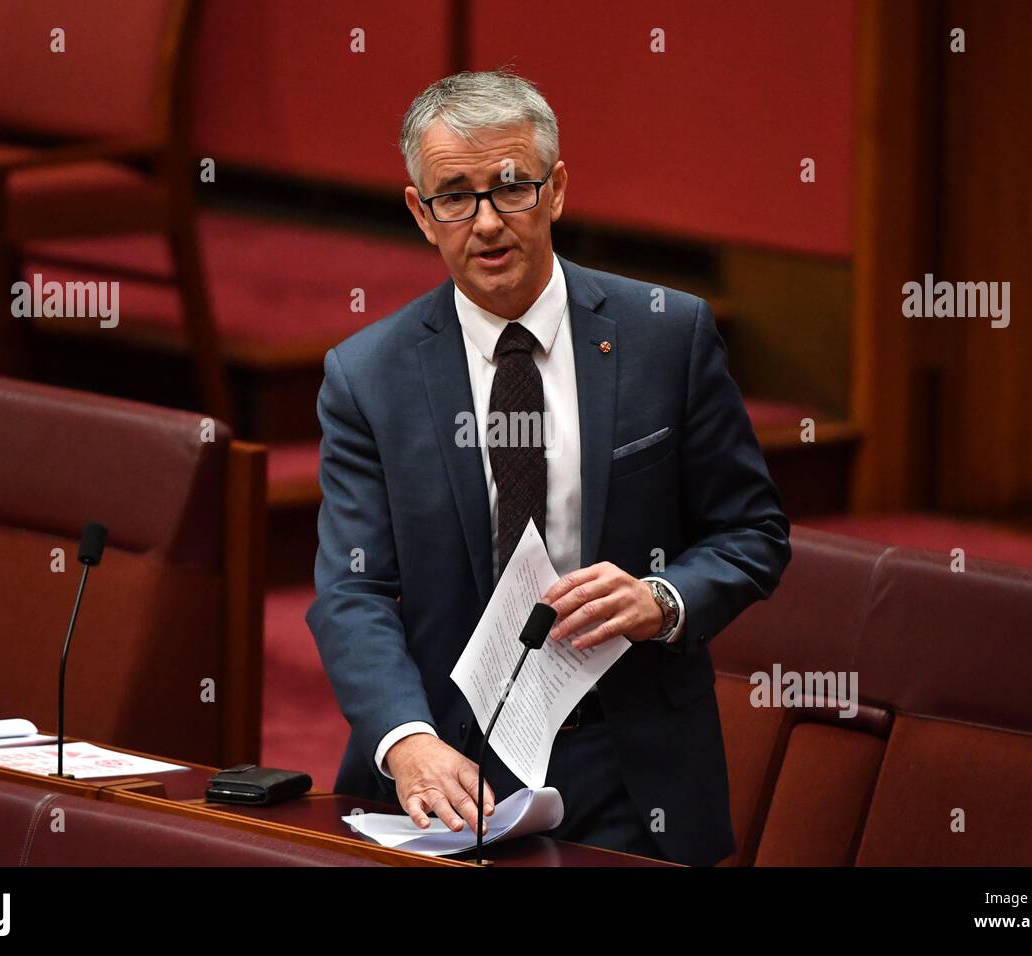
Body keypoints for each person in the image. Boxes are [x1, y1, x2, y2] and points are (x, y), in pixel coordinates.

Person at [306, 70, 790, 866]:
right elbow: (353, 591)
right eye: (454, 197)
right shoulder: (369, 378)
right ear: (420, 215)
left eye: (512, 187)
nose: (488, 223)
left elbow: (754, 532)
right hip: (449, 768)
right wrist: (407, 741)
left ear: (557, 189)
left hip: (628, 758)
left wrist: (661, 599)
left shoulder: (668, 337)